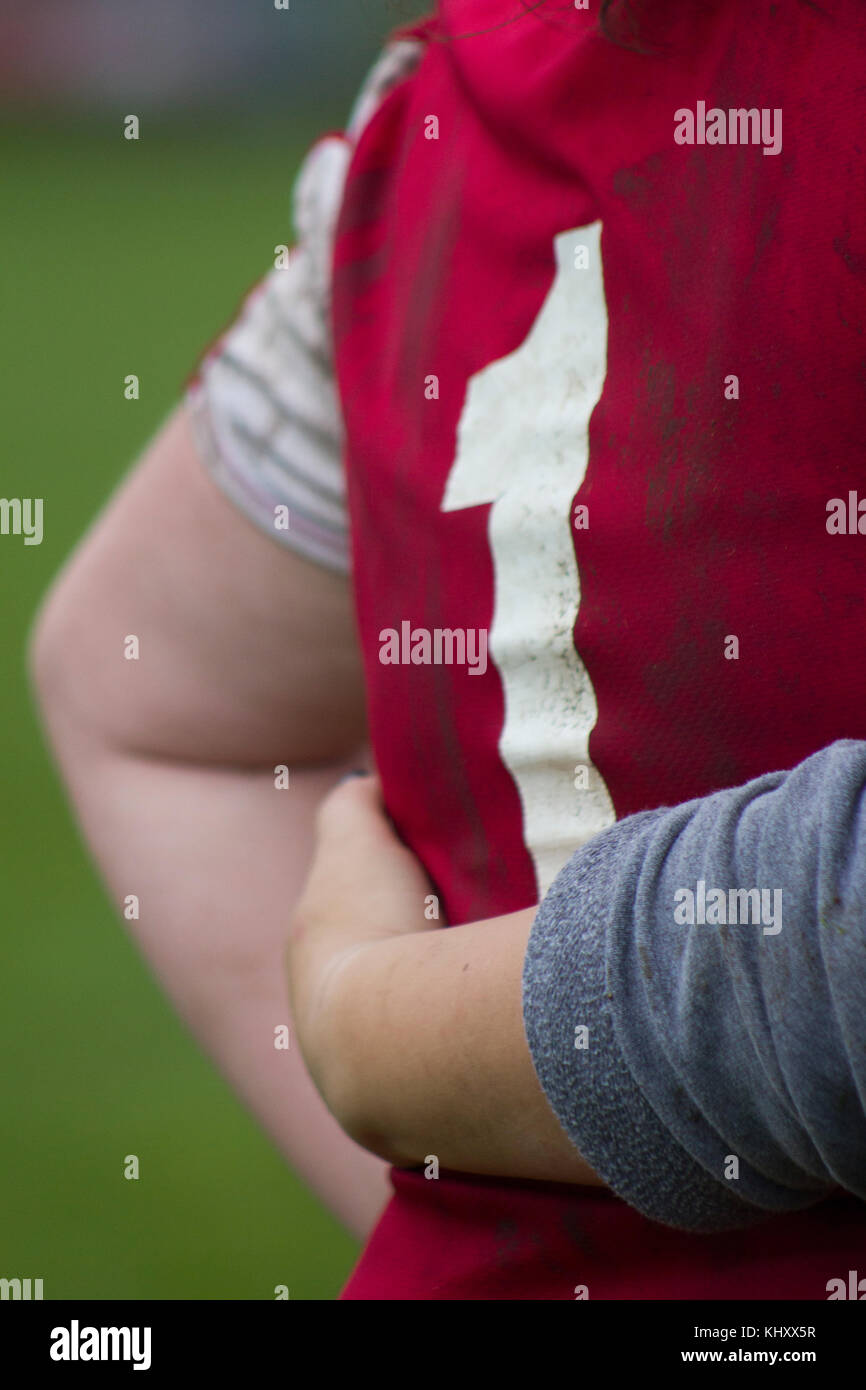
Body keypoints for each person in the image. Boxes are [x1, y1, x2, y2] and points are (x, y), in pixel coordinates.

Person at [31, 0, 866, 1300]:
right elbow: (146, 688)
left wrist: (397, 1044)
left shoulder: (436, 102)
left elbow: (145, 695)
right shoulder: (426, 113)